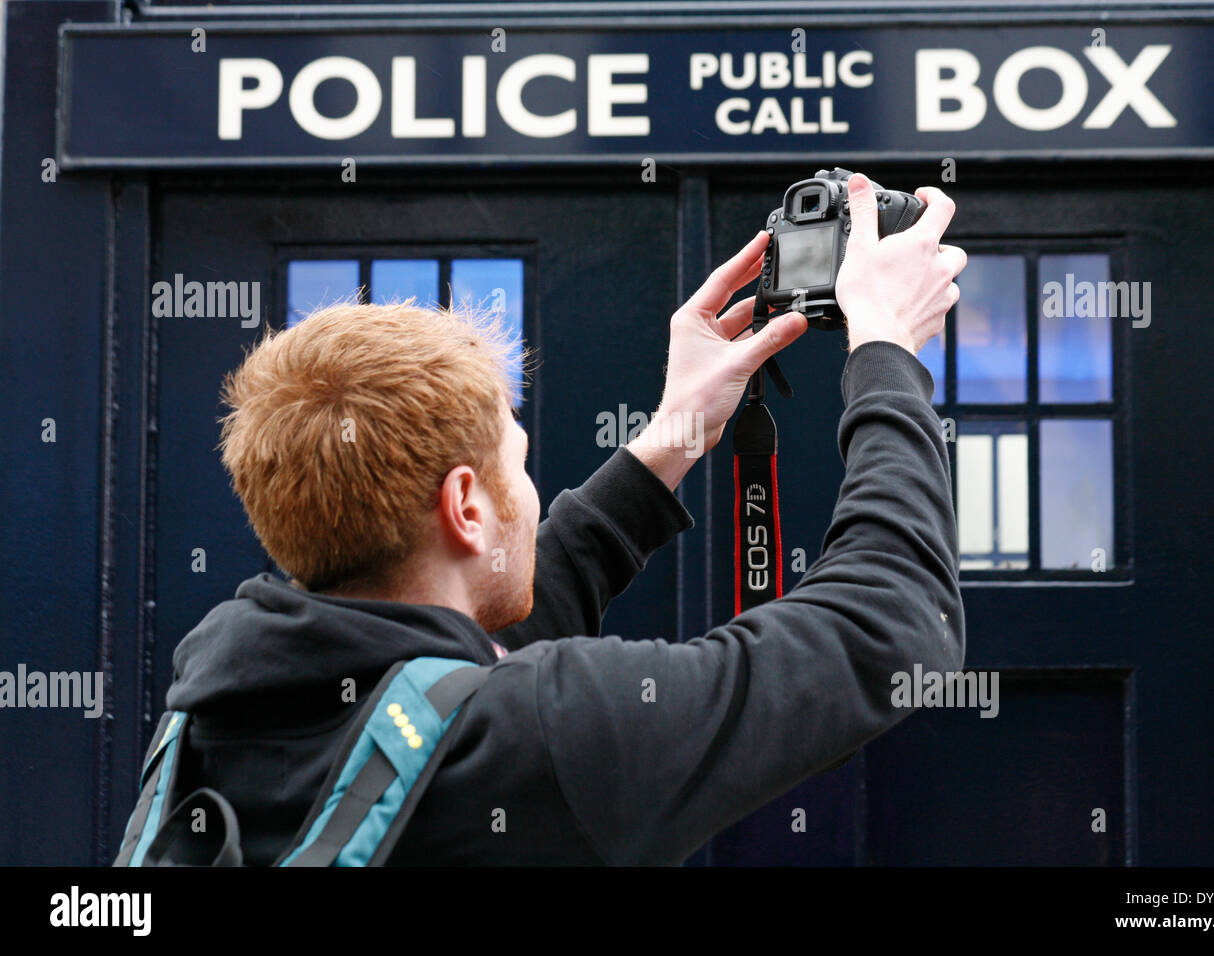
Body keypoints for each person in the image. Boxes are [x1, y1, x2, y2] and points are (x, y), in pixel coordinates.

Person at [161, 172, 967, 865]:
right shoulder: (545, 740)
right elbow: (892, 627)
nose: (534, 494)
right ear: (467, 506)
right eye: (518, 462)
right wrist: (888, 354)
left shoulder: (209, 712)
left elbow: (456, 639)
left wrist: (673, 436)